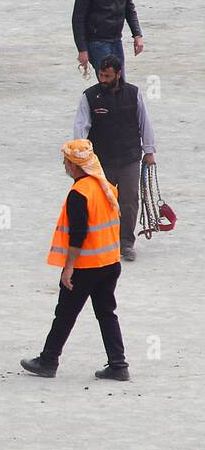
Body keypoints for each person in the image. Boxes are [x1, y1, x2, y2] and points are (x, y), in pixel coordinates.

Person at [21, 140, 129, 381]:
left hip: (86, 266)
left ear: (75, 165)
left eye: (66, 161)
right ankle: (118, 364)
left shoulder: (79, 194)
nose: (64, 165)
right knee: (106, 313)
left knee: (66, 313)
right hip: (110, 263)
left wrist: (68, 268)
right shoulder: (106, 187)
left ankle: (48, 361)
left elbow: (77, 235)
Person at [74, 55, 156, 261]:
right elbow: (81, 127)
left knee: (129, 201)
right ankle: (104, 241)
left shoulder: (133, 94)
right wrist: (81, 155)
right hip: (102, 161)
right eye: (101, 75)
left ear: (118, 74)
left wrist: (149, 151)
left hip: (129, 158)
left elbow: (144, 122)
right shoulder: (90, 96)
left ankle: (126, 242)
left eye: (107, 76)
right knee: (103, 203)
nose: (103, 79)